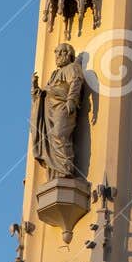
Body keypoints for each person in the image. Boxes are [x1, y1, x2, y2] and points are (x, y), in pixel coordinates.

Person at [31, 44, 85, 178]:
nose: (57, 56)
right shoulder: (55, 74)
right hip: (49, 110)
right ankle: (56, 172)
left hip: (62, 107)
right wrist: (35, 88)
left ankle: (66, 169)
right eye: (56, 53)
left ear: (68, 55)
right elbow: (45, 92)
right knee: (50, 138)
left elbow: (76, 81)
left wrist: (71, 99)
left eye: (61, 53)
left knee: (60, 134)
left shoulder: (72, 68)